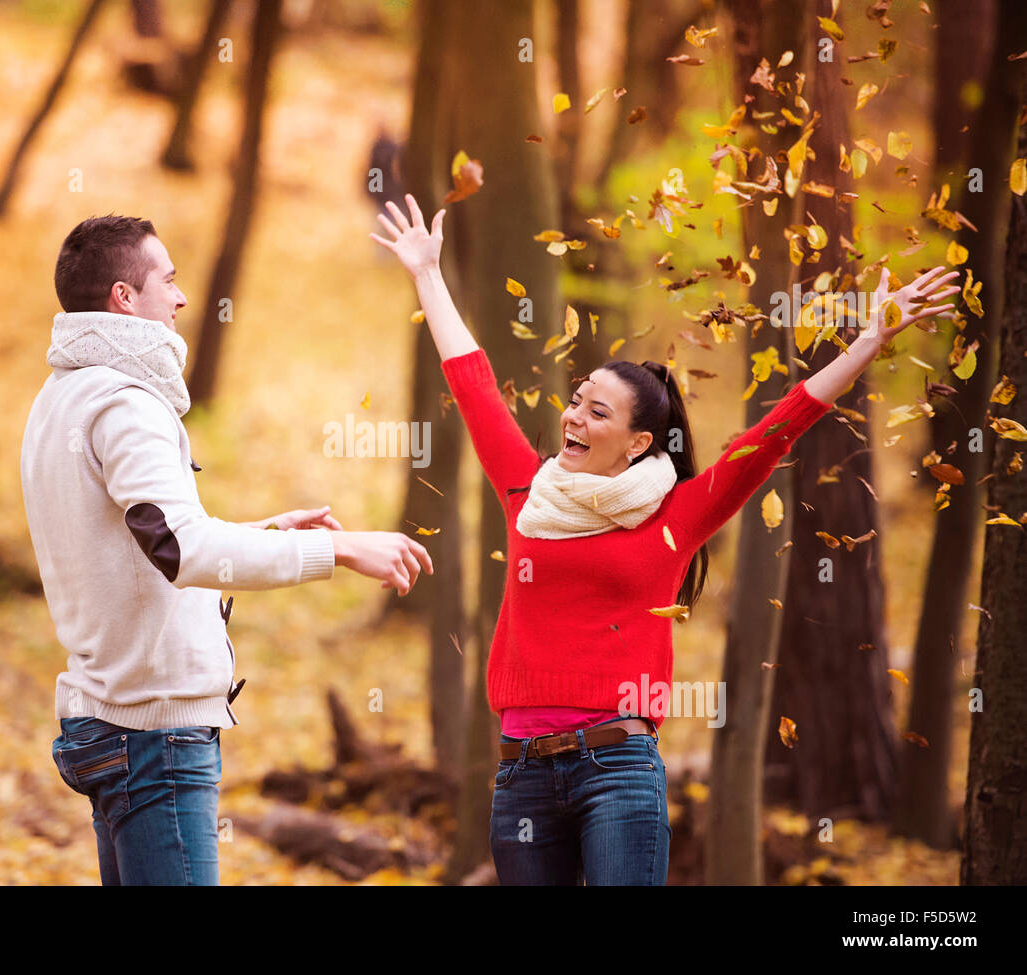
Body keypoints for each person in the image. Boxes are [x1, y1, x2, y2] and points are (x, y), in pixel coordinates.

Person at [370, 193, 957, 886]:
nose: (574, 416)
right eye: (576, 399)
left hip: (616, 770)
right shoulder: (528, 492)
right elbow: (473, 385)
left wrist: (869, 341)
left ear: (639, 441)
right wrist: (427, 273)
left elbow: (774, 434)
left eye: (597, 410)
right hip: (521, 770)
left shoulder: (676, 514)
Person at [20, 214, 433, 885]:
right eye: (169, 280)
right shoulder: (126, 404)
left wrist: (269, 535)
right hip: (151, 735)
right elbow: (182, 550)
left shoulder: (63, 396)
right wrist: (342, 551)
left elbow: (147, 540)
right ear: (125, 297)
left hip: (113, 722)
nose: (182, 299)